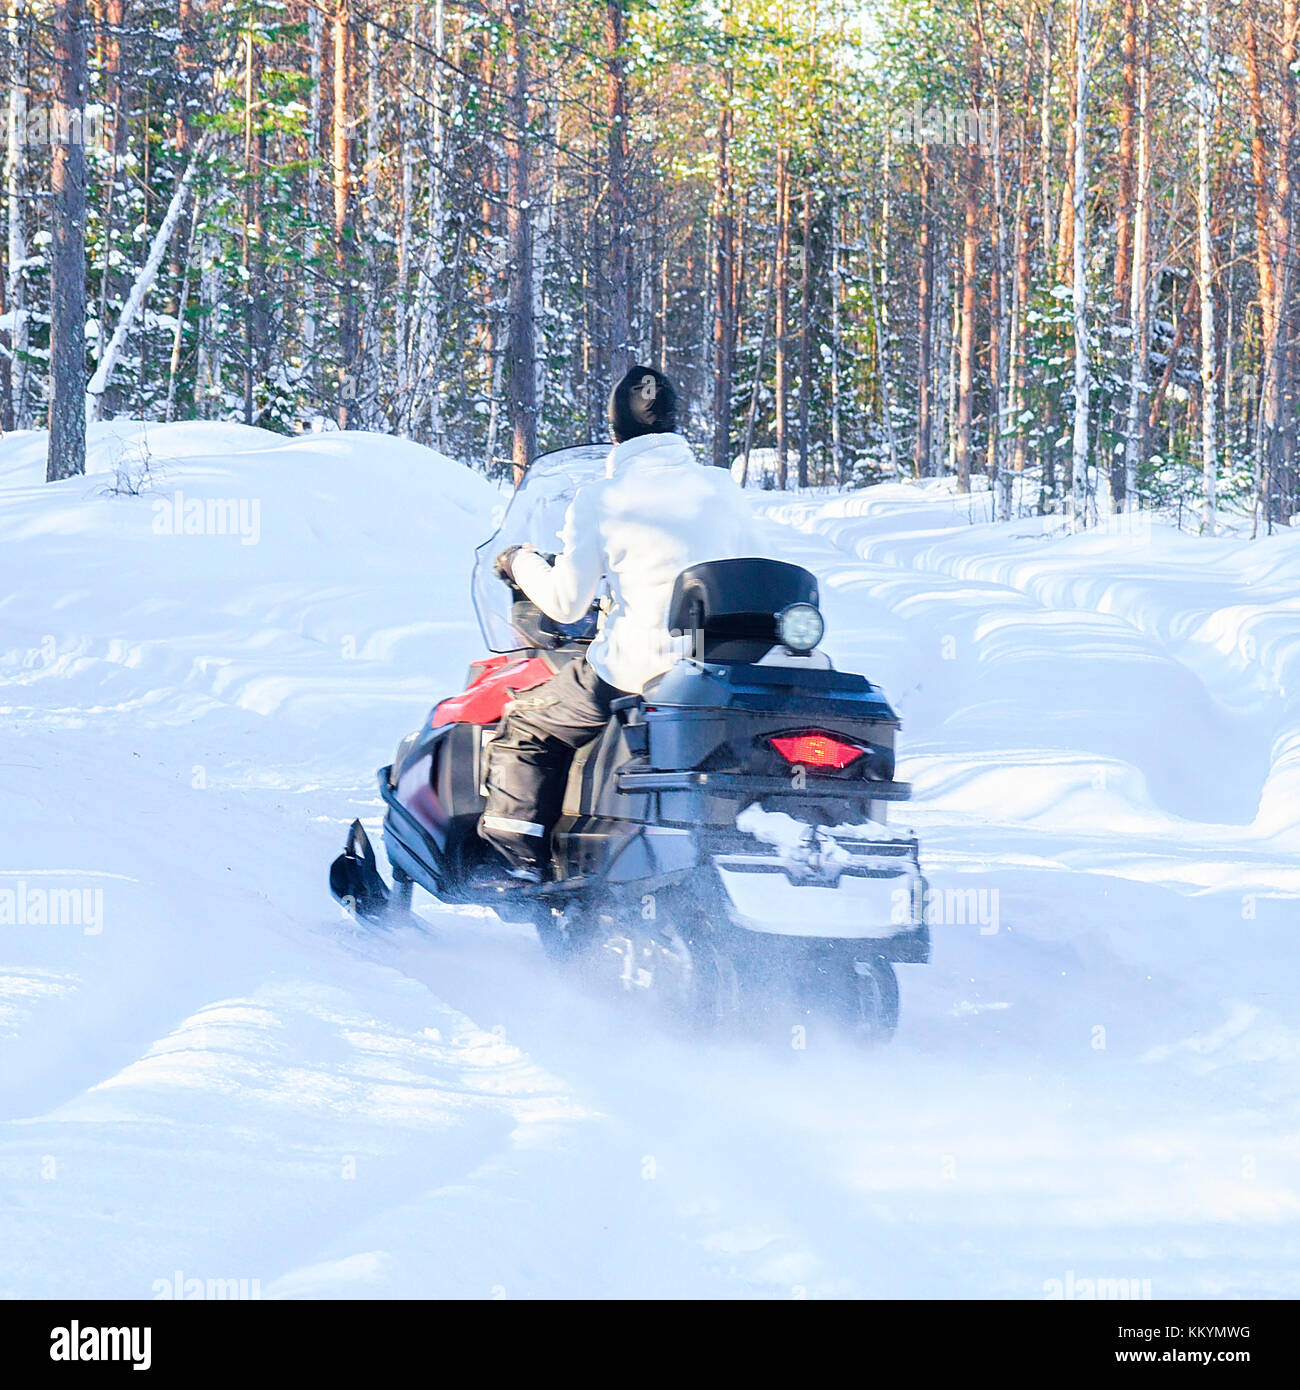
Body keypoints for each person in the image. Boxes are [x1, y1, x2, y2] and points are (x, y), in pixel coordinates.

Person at [477, 364, 762, 882]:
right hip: (728, 673)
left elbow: (565, 603)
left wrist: (518, 561)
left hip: (637, 670)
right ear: (676, 423)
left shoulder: (602, 498)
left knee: (528, 724)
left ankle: (517, 867)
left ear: (615, 433)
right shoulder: (723, 488)